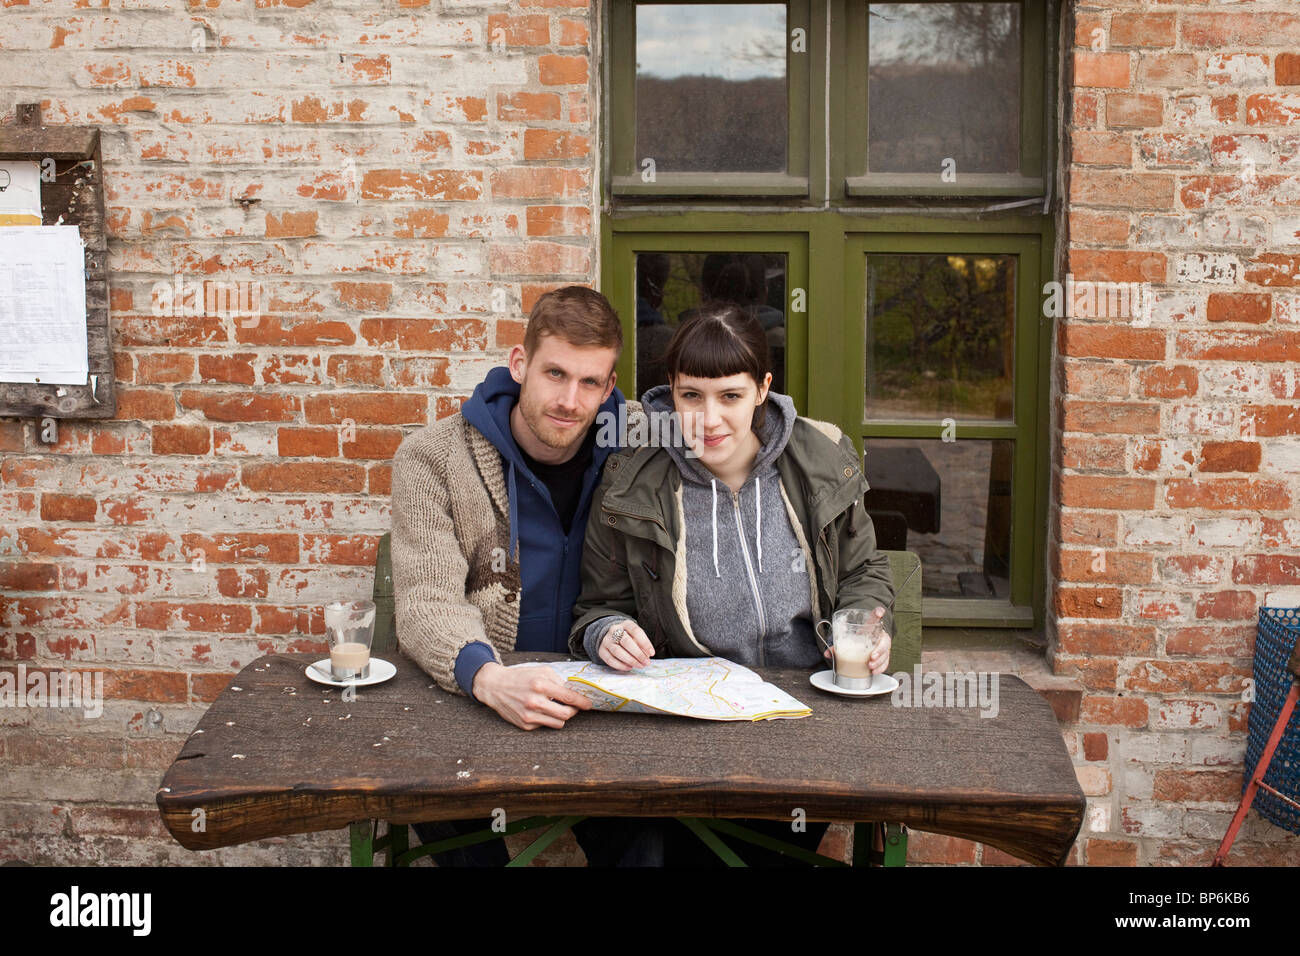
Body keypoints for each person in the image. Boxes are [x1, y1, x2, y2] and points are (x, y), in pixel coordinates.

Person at [568, 302, 895, 865]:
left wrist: (864, 622)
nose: (708, 419)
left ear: (763, 388)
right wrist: (608, 631)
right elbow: (598, 606)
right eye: (690, 395)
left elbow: (865, 569)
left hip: (804, 716)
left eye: (730, 396)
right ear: (670, 391)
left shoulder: (818, 460)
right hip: (686, 725)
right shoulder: (630, 481)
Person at [390, 285, 653, 865]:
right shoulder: (433, 458)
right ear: (520, 364)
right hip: (477, 696)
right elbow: (425, 600)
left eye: (590, 383)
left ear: (609, 387)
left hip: (605, 698)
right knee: (454, 833)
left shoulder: (637, 443)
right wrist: (486, 677)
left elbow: (731, 422)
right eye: (554, 373)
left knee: (647, 850)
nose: (569, 400)